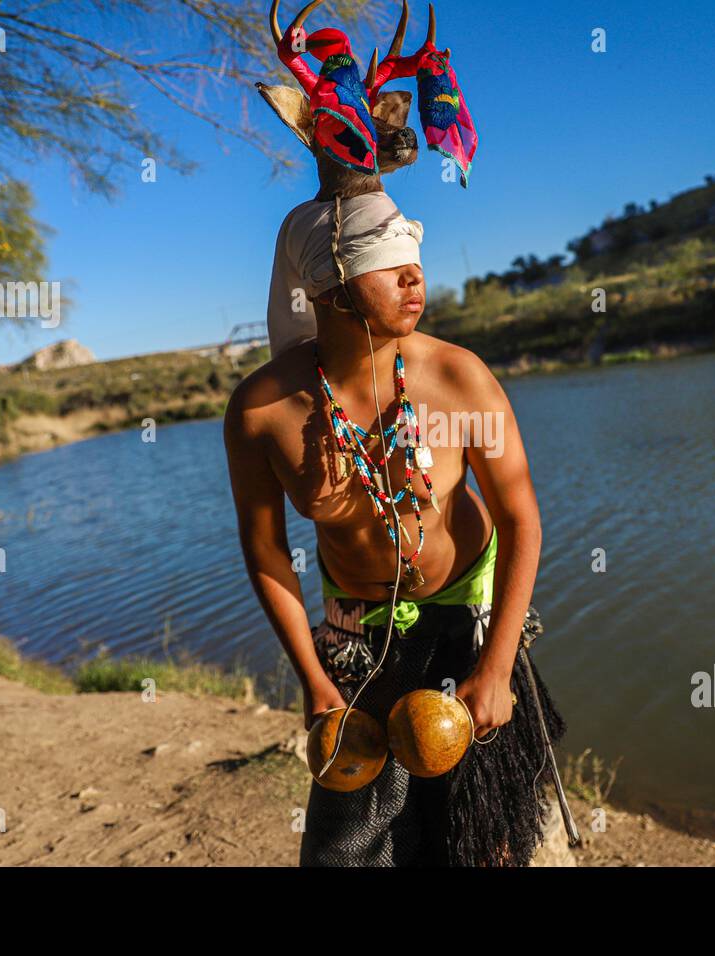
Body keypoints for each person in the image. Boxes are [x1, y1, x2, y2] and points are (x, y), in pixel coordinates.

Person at [222, 191, 566, 866]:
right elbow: (264, 550)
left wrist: (497, 667)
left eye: (415, 260)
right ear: (328, 287)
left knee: (478, 832)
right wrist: (314, 682)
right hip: (357, 632)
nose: (415, 278)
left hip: (468, 615)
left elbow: (521, 518)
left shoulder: (459, 378)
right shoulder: (261, 411)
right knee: (346, 845)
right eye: (389, 265)